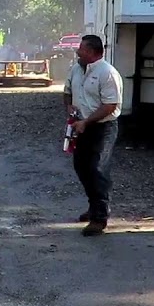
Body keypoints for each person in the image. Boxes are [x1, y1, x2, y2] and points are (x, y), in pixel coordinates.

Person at [63, 35, 123, 237]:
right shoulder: (76, 69)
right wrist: (69, 107)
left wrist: (86, 122)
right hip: (81, 126)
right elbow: (67, 91)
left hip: (102, 127)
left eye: (81, 49)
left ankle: (99, 218)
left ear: (91, 52)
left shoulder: (107, 73)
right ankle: (93, 206)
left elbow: (110, 105)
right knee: (81, 167)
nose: (78, 51)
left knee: (97, 168)